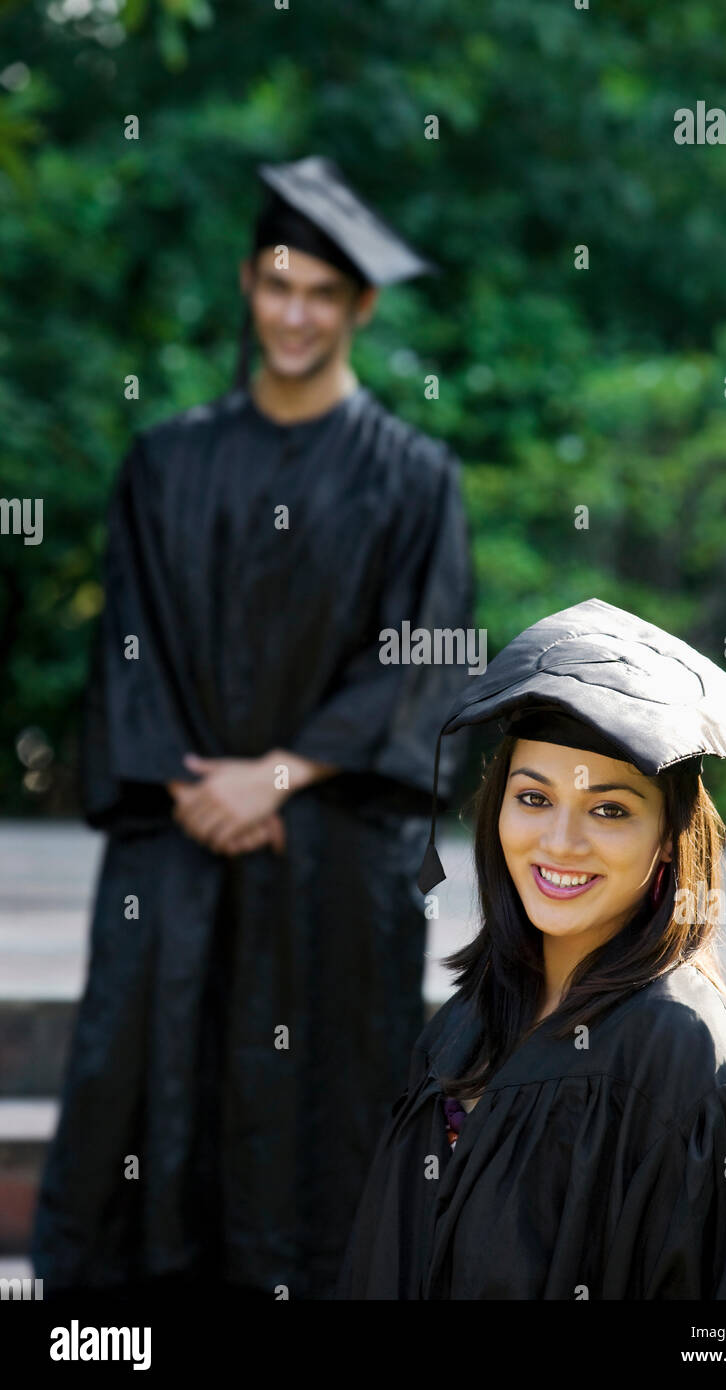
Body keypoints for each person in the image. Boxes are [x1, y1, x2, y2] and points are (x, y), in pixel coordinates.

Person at [32, 155, 474, 1301]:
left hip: (329, 855)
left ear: (359, 307)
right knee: (150, 1094)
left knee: (323, 1113)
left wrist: (272, 777)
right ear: (246, 284)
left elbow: (423, 653)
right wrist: (203, 790)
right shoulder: (165, 463)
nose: (295, 313)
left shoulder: (414, 479)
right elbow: (126, 645)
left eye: (322, 293)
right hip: (178, 850)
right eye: (278, 285)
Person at [338, 597, 726, 1300]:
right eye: (533, 798)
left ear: (667, 841)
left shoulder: (682, 1052)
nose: (561, 842)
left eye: (610, 810)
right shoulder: (466, 1025)